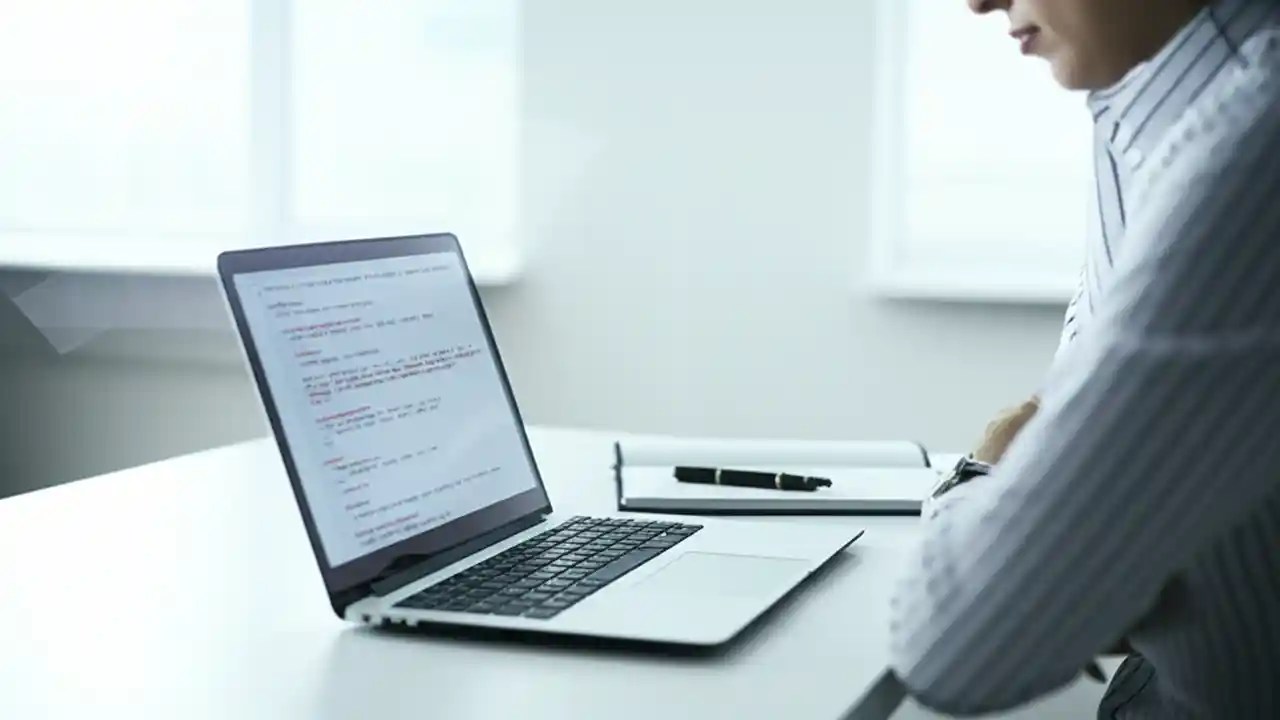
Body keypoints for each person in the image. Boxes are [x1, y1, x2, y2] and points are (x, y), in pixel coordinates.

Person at [889, 0, 1280, 717]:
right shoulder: (1145, 105)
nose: (978, 1)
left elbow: (961, 643)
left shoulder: (1255, 150)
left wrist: (978, 481)